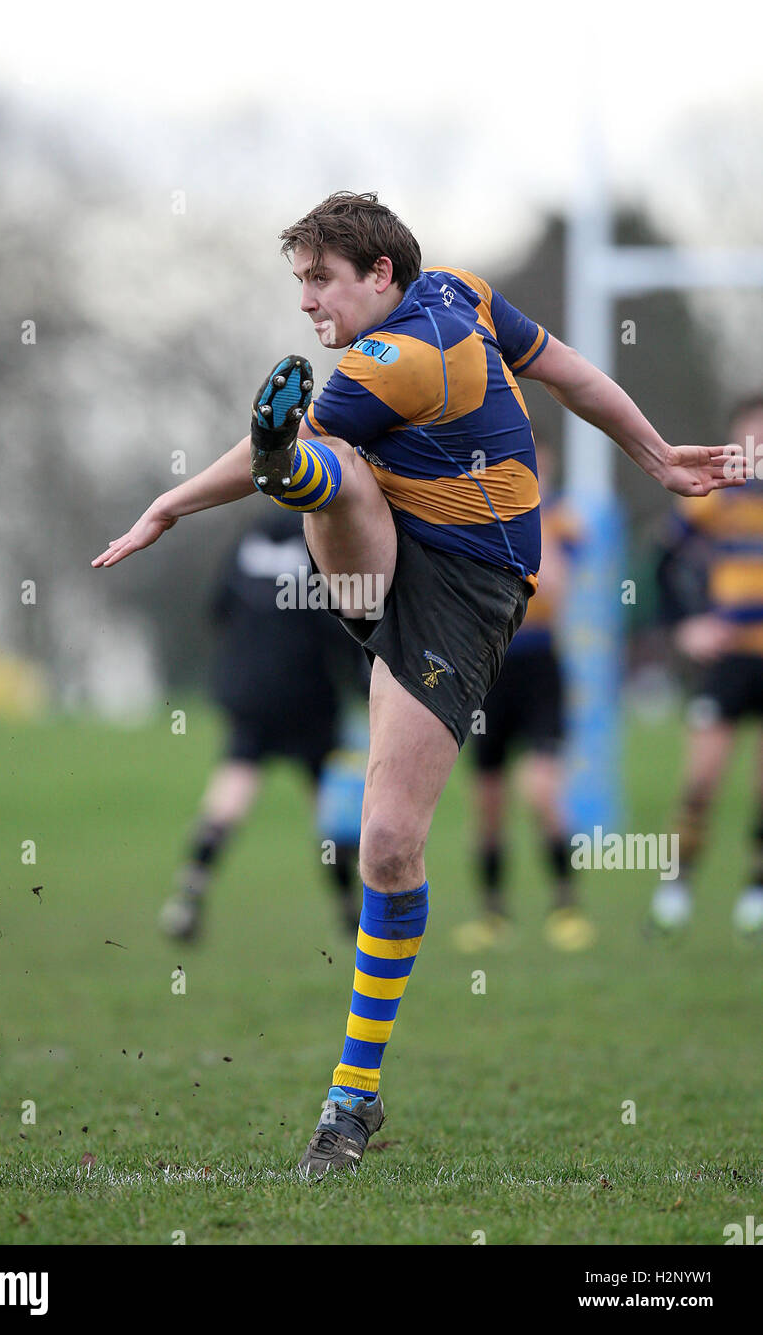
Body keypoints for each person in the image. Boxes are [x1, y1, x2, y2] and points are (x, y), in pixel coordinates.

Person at [92, 191, 742, 1179]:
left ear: (378, 275)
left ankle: (351, 1095)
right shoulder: (442, 309)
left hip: (464, 594)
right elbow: (566, 371)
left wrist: (181, 499)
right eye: (299, 281)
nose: (307, 301)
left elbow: (561, 370)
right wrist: (651, 453)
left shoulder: (408, 346)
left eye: (321, 280)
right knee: (334, 466)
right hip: (373, 568)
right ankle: (294, 469)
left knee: (389, 846)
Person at [158, 508, 363, 942]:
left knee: (232, 790)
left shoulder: (250, 534)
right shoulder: (322, 534)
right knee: (332, 808)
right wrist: (363, 684)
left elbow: (217, 608)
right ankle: (352, 912)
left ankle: (188, 894)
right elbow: (341, 621)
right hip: (308, 693)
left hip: (250, 691)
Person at [452, 442, 596, 953]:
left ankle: (566, 905)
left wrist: (535, 509)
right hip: (488, 669)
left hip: (539, 667)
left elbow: (554, 580)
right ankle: (492, 913)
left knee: (541, 791)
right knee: (487, 802)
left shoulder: (560, 521)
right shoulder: (475, 514)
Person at [649, 395, 763, 938]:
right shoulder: (720, 495)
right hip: (728, 658)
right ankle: (676, 886)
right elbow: (664, 561)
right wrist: (687, 624)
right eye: (752, 434)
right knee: (701, 781)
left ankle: (756, 891)